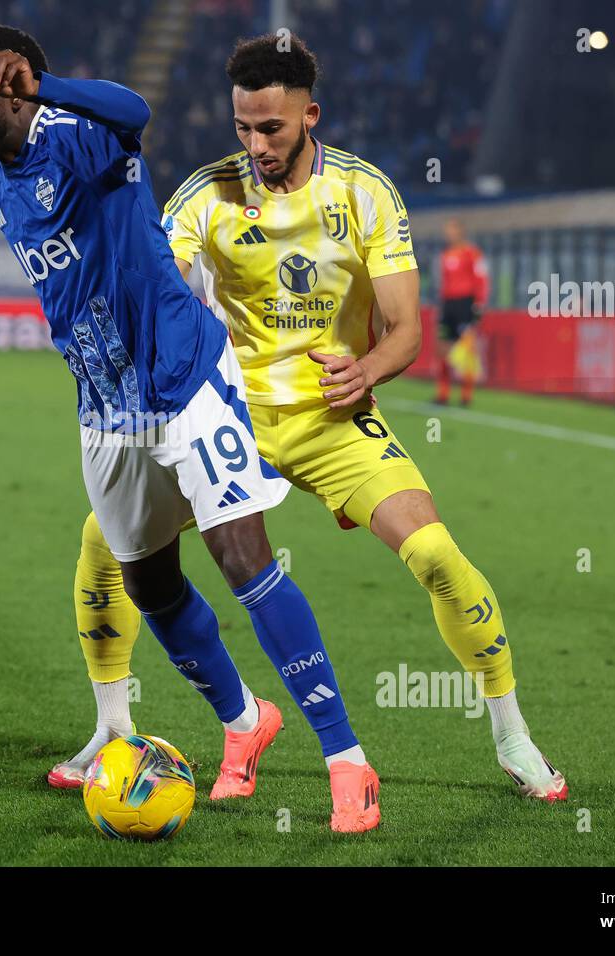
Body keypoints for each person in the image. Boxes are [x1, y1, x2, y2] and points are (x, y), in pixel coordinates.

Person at [49, 32, 567, 807]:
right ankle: (112, 727)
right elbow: (156, 274)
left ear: (310, 116)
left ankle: (511, 731)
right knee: (105, 540)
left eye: (273, 128)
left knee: (436, 556)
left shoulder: (366, 193)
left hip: (333, 417)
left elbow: (404, 329)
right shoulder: (204, 195)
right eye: (244, 128)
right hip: (232, 412)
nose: (256, 144)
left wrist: (367, 369)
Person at [0, 24, 381, 832]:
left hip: (183, 378)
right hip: (105, 407)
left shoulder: (77, 138)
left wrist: (51, 86)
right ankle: (247, 720)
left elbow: (132, 108)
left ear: (14, 86)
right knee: (148, 584)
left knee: (242, 557)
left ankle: (347, 760)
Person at [435, 218, 487, 406]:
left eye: (451, 229)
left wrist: (479, 305)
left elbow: (481, 279)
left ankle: (466, 395)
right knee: (443, 349)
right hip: (448, 305)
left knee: (467, 348)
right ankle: (443, 393)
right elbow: (444, 283)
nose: (447, 233)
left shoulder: (472, 253)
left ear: (460, 231)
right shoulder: (445, 254)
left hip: (465, 304)